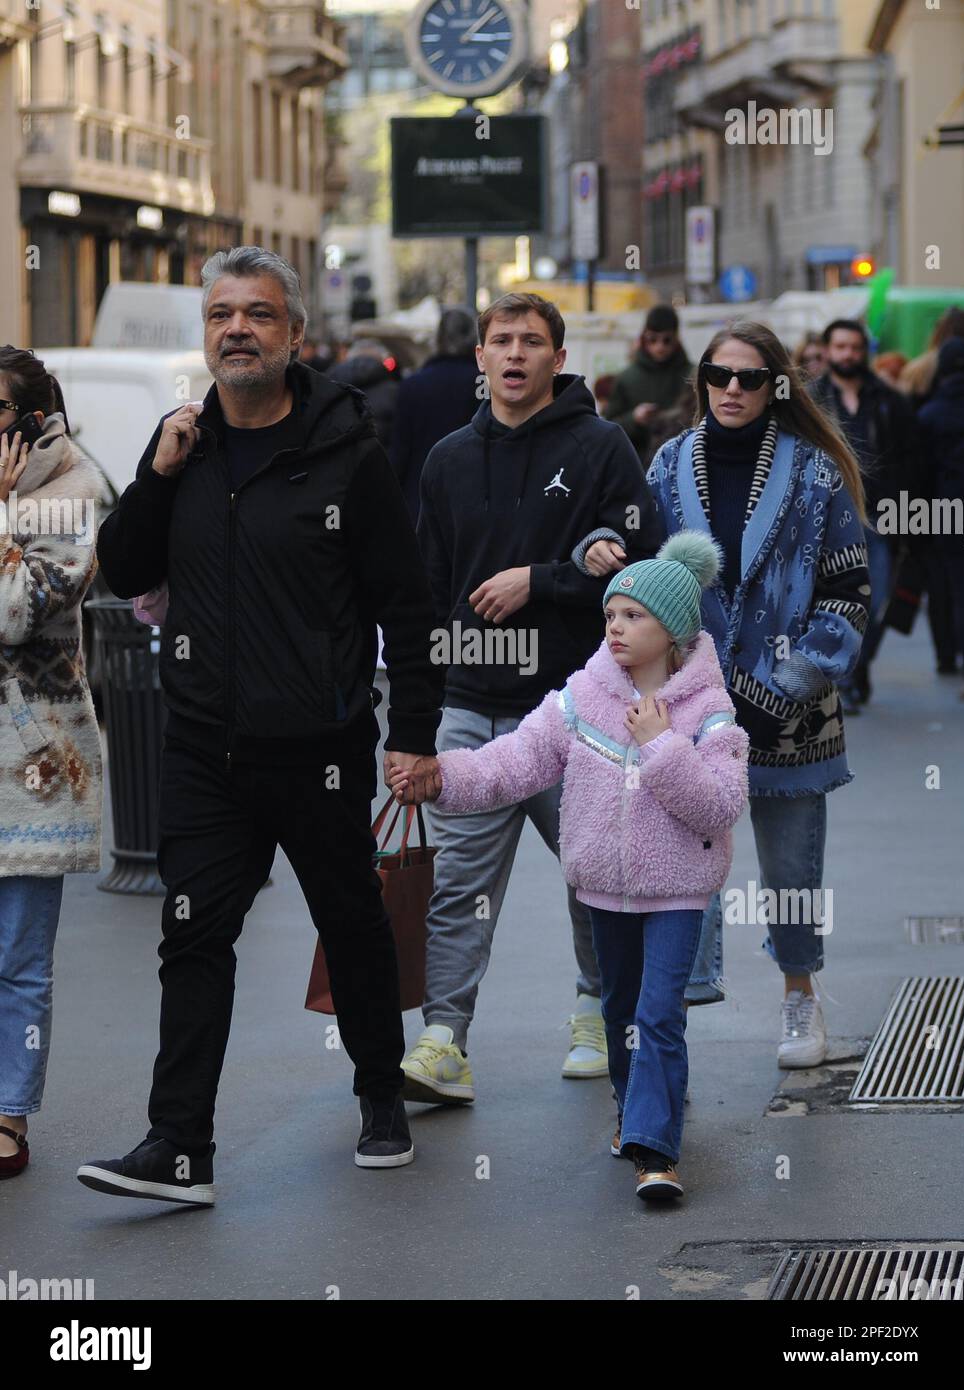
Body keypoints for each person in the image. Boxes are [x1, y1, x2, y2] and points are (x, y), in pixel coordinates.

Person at [78, 246, 443, 1206]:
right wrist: (156, 476)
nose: (237, 329)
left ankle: (379, 1094)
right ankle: (178, 1145)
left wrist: (412, 732)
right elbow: (120, 570)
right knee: (192, 936)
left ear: (295, 335)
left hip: (319, 746)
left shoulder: (346, 455)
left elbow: (405, 607)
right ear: (207, 334)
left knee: (352, 924)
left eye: (259, 314)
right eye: (222, 315)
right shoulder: (180, 448)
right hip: (202, 746)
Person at [391, 533, 749, 1202]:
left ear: (672, 630)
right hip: (603, 890)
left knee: (659, 1012)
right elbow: (512, 762)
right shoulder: (578, 700)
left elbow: (721, 808)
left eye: (633, 616)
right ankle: (631, 1113)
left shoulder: (709, 712)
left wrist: (662, 747)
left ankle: (655, 1152)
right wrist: (441, 779)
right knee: (620, 1014)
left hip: (677, 891)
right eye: (610, 615)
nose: (615, 626)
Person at [572, 320, 871, 1069]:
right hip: (691, 710)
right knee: (679, 868)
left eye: (748, 377)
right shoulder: (670, 463)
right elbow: (637, 559)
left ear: (777, 387)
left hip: (794, 719)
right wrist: (595, 546)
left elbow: (847, 593)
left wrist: (787, 687)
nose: (730, 389)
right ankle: (670, 1022)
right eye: (718, 374)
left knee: (791, 870)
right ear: (699, 380)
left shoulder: (815, 472)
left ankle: (800, 996)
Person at [405, 291, 662, 1104]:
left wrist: (541, 582)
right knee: (459, 886)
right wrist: (416, 716)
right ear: (479, 357)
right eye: (501, 341)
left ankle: (594, 1012)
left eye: (532, 342)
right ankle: (444, 1041)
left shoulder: (601, 447)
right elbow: (429, 594)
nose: (514, 354)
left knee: (594, 871)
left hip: (575, 707)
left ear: (558, 357)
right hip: (470, 709)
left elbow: (647, 576)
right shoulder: (447, 458)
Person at [0, 347, 103, 1179]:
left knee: (18, 957)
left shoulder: (73, 493)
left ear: (33, 419)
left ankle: (9, 1116)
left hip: (33, 764)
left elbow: (16, 612)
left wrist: (0, 510)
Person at [812, 319, 916, 713]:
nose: (848, 355)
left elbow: (910, 457)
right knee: (832, 603)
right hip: (826, 520)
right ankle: (846, 676)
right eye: (840, 347)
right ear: (827, 350)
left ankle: (857, 668)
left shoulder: (887, 399)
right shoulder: (812, 400)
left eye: (855, 347)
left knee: (877, 602)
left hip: (879, 518)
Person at [390, 307, 481, 524]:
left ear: (438, 339)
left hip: (420, 498)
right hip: (474, 498)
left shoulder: (413, 385)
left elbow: (400, 451)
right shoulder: (483, 384)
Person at [918, 337, 964, 699]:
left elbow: (921, 470)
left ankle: (950, 655)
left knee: (952, 587)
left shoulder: (929, 413)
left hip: (944, 512)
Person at [603, 305, 694, 467]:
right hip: (638, 468)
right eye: (653, 339)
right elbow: (608, 427)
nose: (659, 347)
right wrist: (635, 418)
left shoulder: (692, 375)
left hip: (684, 464)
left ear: (676, 338)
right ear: (644, 338)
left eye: (667, 340)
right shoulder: (626, 378)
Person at [328, 339, 399, 453]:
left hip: (339, 462)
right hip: (381, 461)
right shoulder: (394, 391)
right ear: (380, 360)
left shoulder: (329, 384)